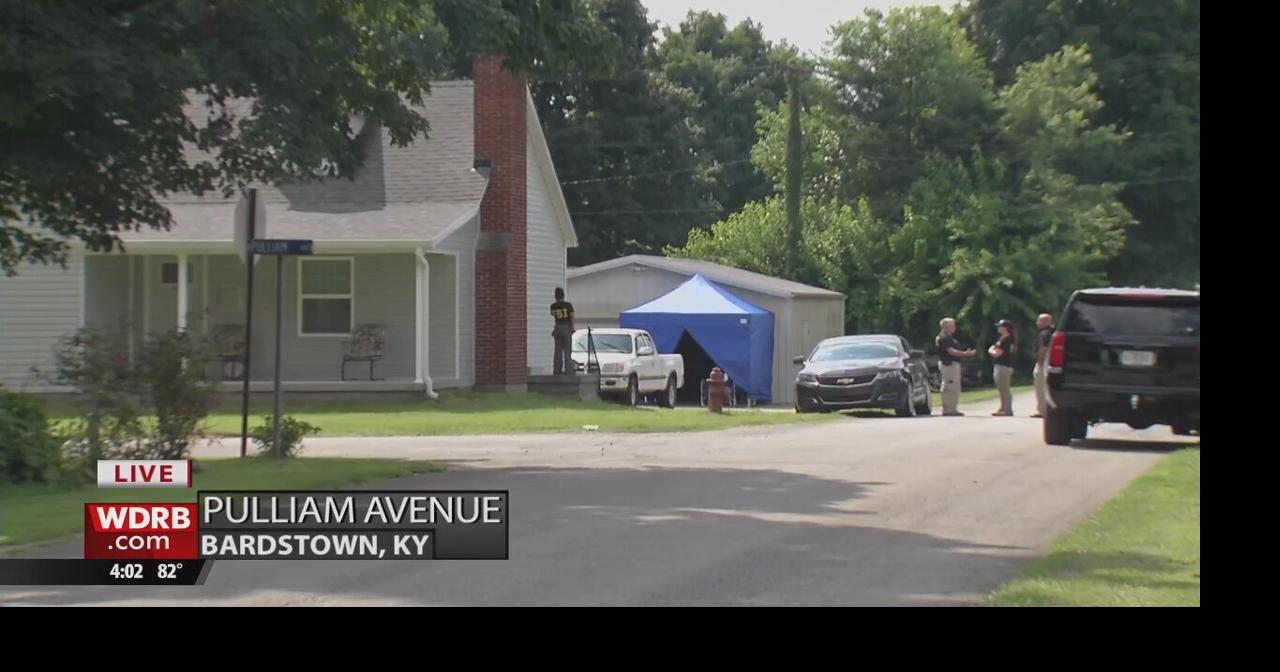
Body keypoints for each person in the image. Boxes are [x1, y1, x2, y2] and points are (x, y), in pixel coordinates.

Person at [935, 317, 977, 416]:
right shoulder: (944, 337)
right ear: (946, 326)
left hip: (952, 365)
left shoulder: (948, 337)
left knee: (954, 387)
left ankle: (952, 408)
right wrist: (966, 354)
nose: (954, 327)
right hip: (948, 365)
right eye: (952, 325)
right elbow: (951, 351)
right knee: (950, 386)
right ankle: (948, 409)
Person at [989, 319, 1017, 416]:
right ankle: (1002, 407)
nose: (998, 328)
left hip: (1003, 365)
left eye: (999, 326)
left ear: (1005, 328)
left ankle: (1007, 409)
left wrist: (990, 350)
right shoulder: (1009, 338)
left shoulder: (1005, 339)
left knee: (1004, 388)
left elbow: (997, 354)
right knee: (1002, 388)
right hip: (1006, 365)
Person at [1032, 313, 1054, 418]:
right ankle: (1043, 409)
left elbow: (1043, 349)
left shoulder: (1045, 334)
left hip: (1043, 363)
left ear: (1046, 322)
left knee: (1040, 388)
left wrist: (1040, 363)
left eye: (1039, 320)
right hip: (1050, 363)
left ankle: (1042, 411)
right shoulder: (1052, 332)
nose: (1037, 322)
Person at [550, 287, 575, 375]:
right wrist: (572, 328)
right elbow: (571, 316)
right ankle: (568, 371)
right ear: (563, 295)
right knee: (567, 350)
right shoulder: (568, 305)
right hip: (566, 327)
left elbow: (554, 316)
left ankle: (557, 370)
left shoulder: (553, 306)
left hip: (558, 327)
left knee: (558, 351)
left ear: (555, 296)